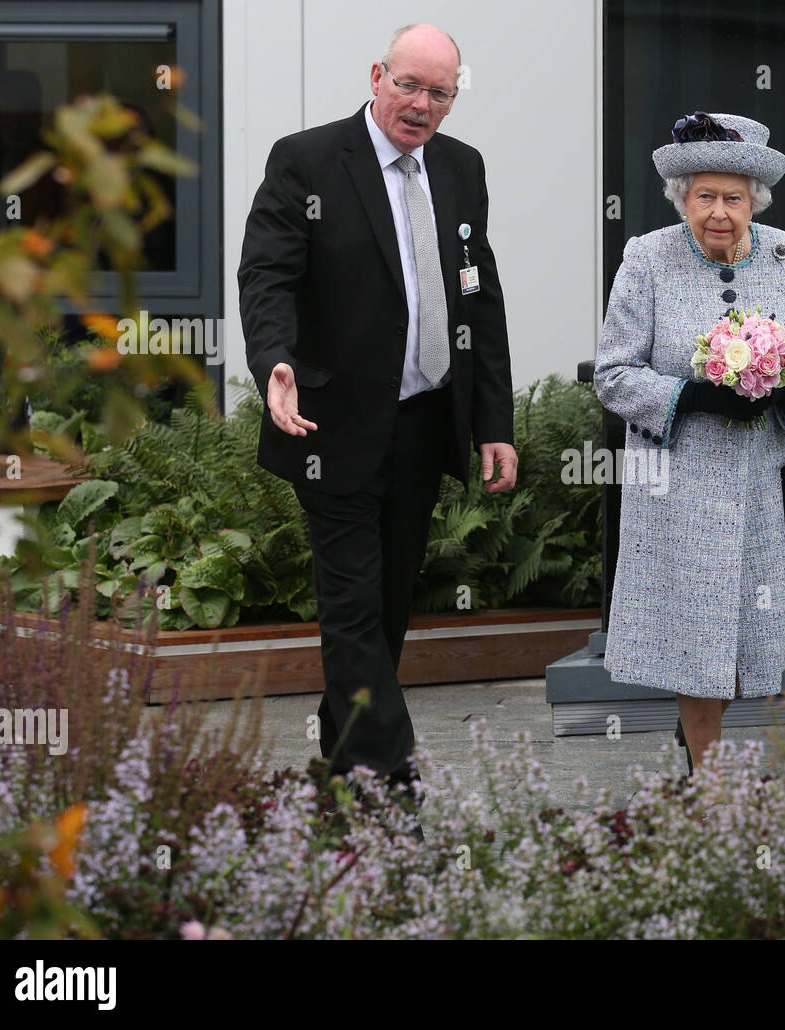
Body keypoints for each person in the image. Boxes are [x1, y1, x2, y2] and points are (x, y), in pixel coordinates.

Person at [237, 23, 517, 807]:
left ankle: (341, 762)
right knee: (354, 608)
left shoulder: (462, 170)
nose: (421, 104)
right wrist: (275, 362)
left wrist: (493, 421)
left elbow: (478, 298)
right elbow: (266, 276)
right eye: (408, 86)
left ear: (454, 97)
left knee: (387, 611)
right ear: (376, 77)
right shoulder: (309, 160)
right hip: (329, 426)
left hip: (423, 424)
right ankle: (390, 789)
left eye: (439, 92)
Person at [593, 111, 785, 773]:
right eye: (706, 196)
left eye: (734, 198)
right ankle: (710, 780)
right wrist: (693, 395)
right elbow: (611, 373)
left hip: (761, 484)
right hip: (679, 486)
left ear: (755, 200)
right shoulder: (648, 257)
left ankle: (694, 735)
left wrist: (782, 387)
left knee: (742, 643)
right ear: (683, 198)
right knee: (696, 637)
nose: (720, 213)